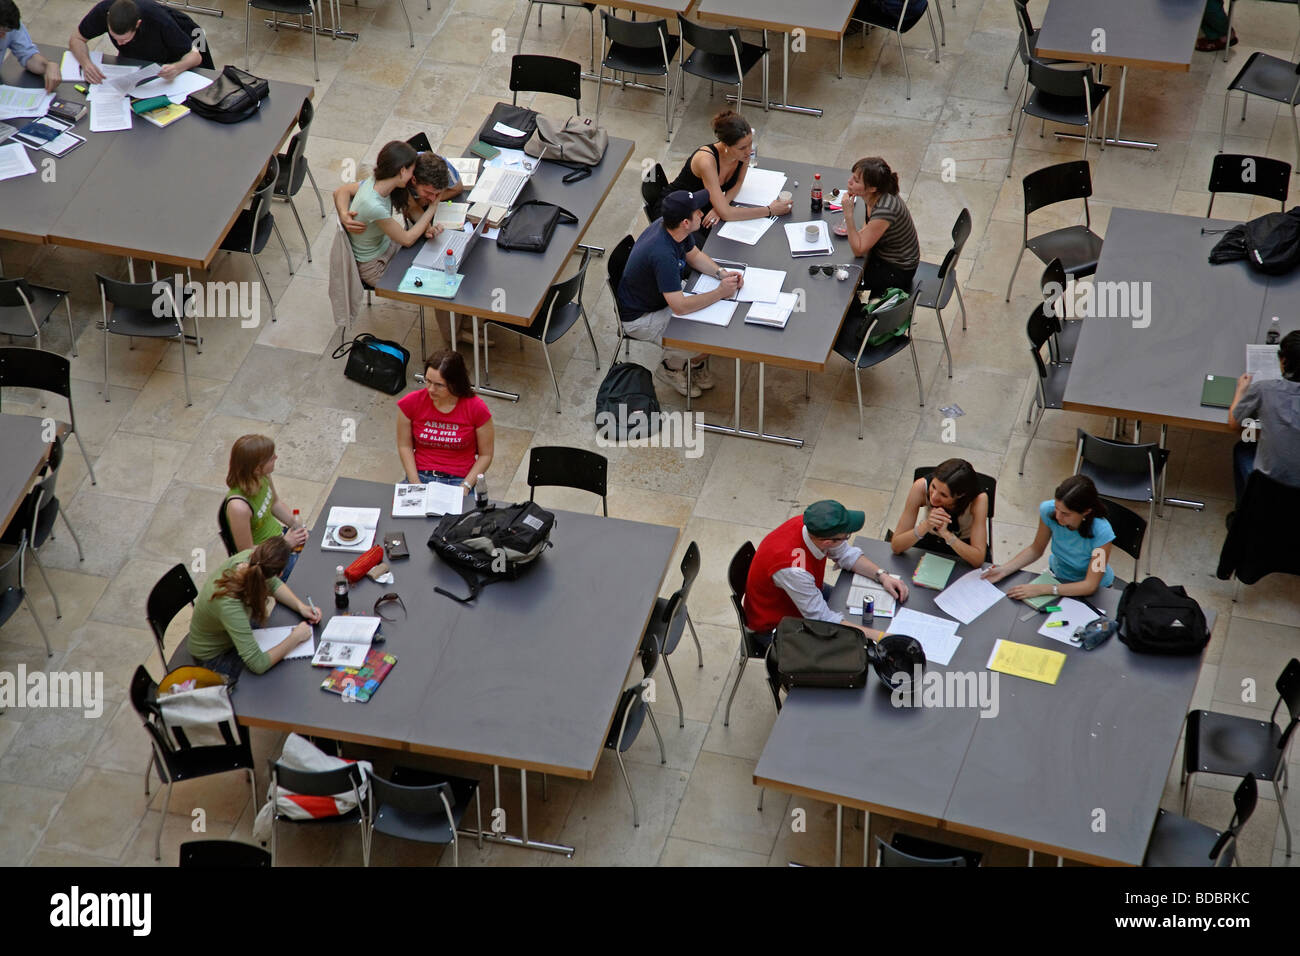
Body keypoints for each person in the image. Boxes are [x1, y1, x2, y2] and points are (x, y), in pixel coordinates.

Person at [617, 189, 742, 398]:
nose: (702, 213)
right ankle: (670, 368)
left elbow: (694, 256)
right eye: (697, 212)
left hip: (660, 299)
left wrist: (722, 274)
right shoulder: (662, 254)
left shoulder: (671, 228)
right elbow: (680, 307)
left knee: (713, 321)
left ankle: (693, 363)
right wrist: (720, 293)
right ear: (685, 222)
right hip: (640, 318)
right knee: (704, 335)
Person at [745, 500, 910, 642]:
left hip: (803, 596)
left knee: (857, 613)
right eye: (846, 535)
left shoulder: (810, 526)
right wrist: (880, 636)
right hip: (776, 627)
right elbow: (822, 619)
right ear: (827, 542)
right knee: (852, 648)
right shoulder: (794, 570)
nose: (847, 538)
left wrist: (882, 576)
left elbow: (845, 553)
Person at [186, 537, 321, 679]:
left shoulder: (252, 560)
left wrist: (300, 606)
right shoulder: (230, 605)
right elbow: (258, 664)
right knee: (275, 676)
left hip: (230, 633)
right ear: (281, 573)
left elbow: (273, 584)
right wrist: (295, 638)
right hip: (214, 657)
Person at [981, 475, 1114, 598]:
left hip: (1091, 591)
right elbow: (1036, 549)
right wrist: (1004, 570)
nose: (1057, 516)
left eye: (1066, 514)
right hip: (1057, 576)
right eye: (1057, 508)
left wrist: (1043, 589)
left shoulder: (1102, 533)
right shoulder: (1048, 510)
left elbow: (1090, 585)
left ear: (1086, 512)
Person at [660, 109, 793, 229]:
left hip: (702, 208)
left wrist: (720, 207)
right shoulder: (706, 161)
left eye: (750, 143)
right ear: (726, 146)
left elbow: (738, 182)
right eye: (742, 148)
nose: (749, 151)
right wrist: (770, 210)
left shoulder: (742, 155)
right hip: (676, 212)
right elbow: (727, 214)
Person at [334, 140, 439, 286]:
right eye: (411, 171)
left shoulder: (381, 182)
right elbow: (407, 240)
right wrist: (433, 208)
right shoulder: (373, 205)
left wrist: (427, 228)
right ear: (402, 171)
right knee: (429, 281)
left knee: (432, 261)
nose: (412, 176)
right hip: (375, 266)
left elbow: (412, 208)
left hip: (387, 245)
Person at [397, 349, 494, 489]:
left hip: (460, 479)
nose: (431, 389)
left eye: (439, 385)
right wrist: (414, 482)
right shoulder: (410, 403)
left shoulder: (476, 408)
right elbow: (404, 446)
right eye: (428, 381)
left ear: (455, 383)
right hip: (420, 475)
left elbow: (486, 455)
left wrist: (465, 486)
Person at [1227, 330, 1300, 509]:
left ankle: (1242, 511)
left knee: (1243, 448)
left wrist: (1240, 390)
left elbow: (1235, 424)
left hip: (1267, 486)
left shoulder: (1264, 389)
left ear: (1283, 361)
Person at [222, 435, 309, 580]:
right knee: (308, 574)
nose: (276, 457)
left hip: (280, 538)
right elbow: (246, 552)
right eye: (270, 458)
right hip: (268, 558)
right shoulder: (238, 507)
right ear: (256, 468)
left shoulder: (263, 476)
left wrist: (297, 526)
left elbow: (275, 504)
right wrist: (285, 544)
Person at [70, 0, 207, 83]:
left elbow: (195, 57)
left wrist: (177, 67)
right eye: (115, 38)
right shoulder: (103, 11)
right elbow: (77, 39)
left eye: (124, 39)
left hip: (178, 43)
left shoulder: (160, 21)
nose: (119, 44)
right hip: (139, 52)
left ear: (137, 24)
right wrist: (86, 64)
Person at [841, 156, 921, 294]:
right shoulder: (873, 196)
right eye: (852, 176)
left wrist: (848, 215)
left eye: (856, 180)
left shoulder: (885, 209)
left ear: (872, 188)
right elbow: (867, 226)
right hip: (882, 255)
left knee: (845, 280)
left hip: (897, 270)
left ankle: (856, 313)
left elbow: (859, 250)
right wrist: (860, 235)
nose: (849, 181)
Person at [890, 458, 990, 568]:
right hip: (930, 538)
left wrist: (947, 535)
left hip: (964, 544)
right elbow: (896, 546)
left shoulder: (979, 499)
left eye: (943, 495)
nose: (934, 497)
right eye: (933, 487)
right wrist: (926, 525)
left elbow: (978, 559)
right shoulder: (921, 487)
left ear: (960, 495)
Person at [0, 0, 62, 91]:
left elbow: (28, 56)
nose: (3, 36)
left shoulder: (9, 25)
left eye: (6, 32)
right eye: (1, 32)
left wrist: (47, 66)